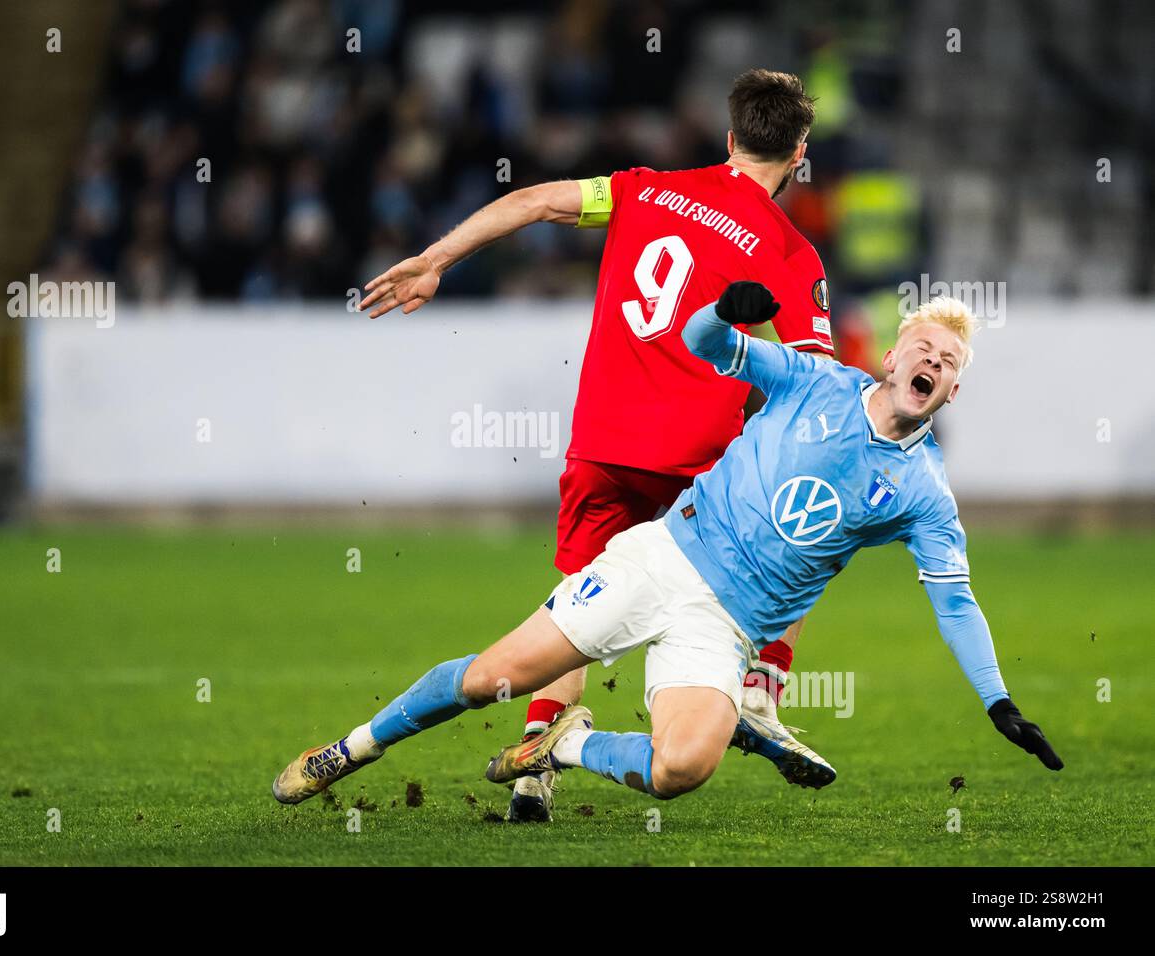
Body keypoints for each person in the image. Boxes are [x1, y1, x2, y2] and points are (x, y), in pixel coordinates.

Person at [272, 289, 1062, 807]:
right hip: (661, 560)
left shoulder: (926, 492)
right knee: (490, 679)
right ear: (891, 355)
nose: (932, 360)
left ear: (954, 391)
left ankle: (572, 741)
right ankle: (349, 749)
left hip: (724, 630)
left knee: (681, 769)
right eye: (923, 346)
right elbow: (703, 342)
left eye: (949, 361)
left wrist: (997, 699)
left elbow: (954, 599)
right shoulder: (813, 379)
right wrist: (727, 311)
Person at [360, 69, 838, 821]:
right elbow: (816, 382)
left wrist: (437, 260)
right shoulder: (789, 252)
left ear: (729, 138)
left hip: (605, 446)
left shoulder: (641, 188)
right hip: (700, 467)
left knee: (575, 616)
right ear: (799, 153)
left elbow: (532, 201)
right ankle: (758, 697)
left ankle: (533, 769)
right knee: (803, 534)